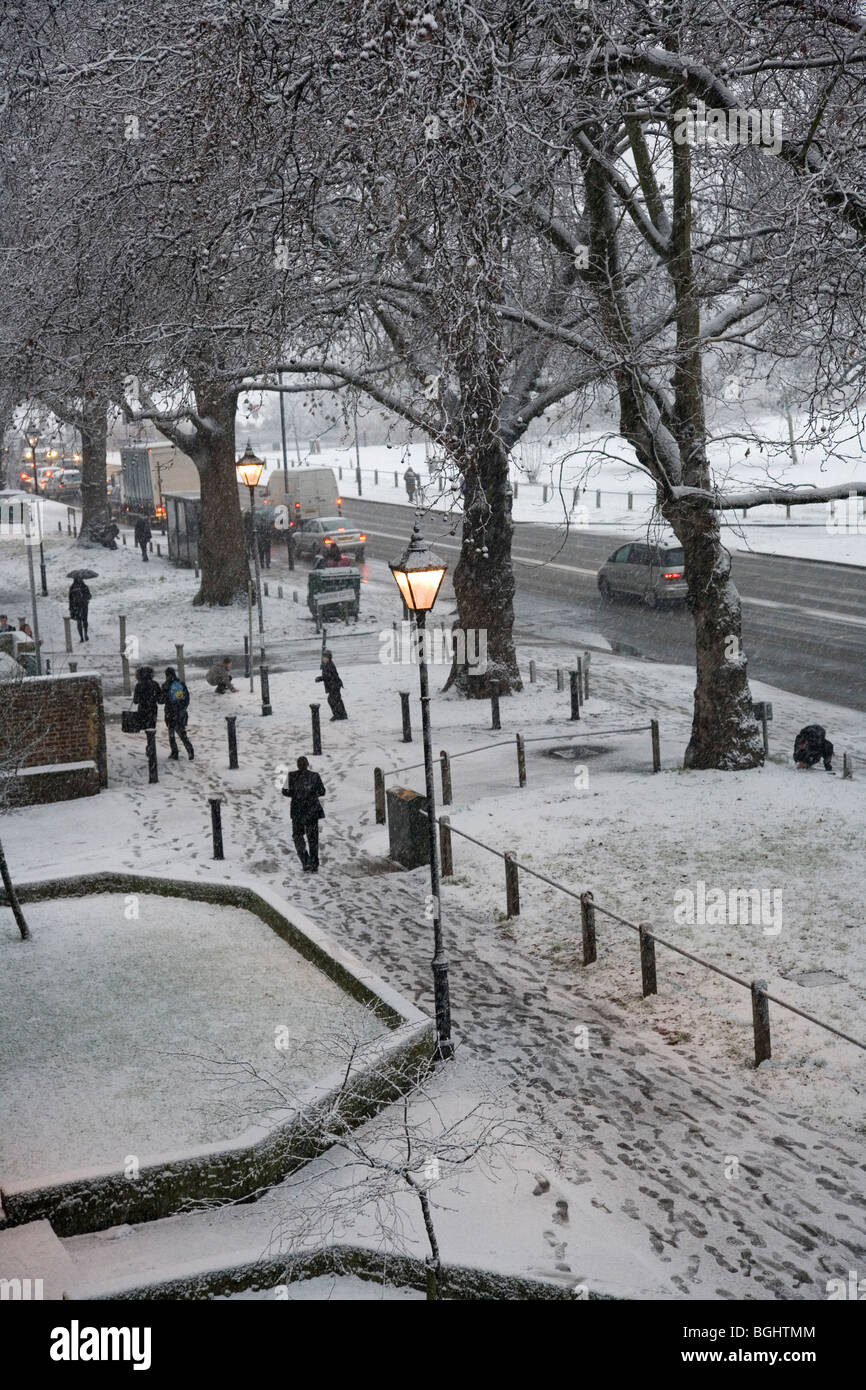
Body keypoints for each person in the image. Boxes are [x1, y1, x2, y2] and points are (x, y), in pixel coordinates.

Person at [282, 755, 326, 872]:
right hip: (312, 811)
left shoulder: (292, 776)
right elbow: (322, 791)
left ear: (297, 765)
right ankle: (314, 863)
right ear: (307, 765)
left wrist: (296, 794)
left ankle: (305, 861)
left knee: (297, 836)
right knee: (313, 839)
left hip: (298, 811)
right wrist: (311, 794)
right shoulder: (314, 776)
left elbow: (285, 792)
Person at [161, 666, 194, 760]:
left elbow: (162, 700)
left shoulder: (166, 685)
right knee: (182, 733)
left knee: (171, 734)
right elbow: (187, 698)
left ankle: (174, 753)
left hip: (170, 713)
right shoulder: (181, 684)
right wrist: (182, 708)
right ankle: (190, 750)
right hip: (180, 713)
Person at [315, 649, 347, 720]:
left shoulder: (330, 665)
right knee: (337, 700)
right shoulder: (325, 665)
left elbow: (328, 676)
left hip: (335, 685)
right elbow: (326, 676)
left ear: (329, 658)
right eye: (324, 657)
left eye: (326, 658)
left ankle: (338, 714)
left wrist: (320, 678)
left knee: (332, 700)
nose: (325, 659)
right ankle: (342, 714)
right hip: (332, 685)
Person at [132, 665, 162, 733]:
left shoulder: (139, 685)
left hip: (142, 709)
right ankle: (151, 742)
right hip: (153, 709)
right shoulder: (155, 684)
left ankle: (149, 743)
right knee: (151, 728)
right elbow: (160, 698)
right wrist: (153, 699)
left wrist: (142, 699)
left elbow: (135, 701)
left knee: (145, 727)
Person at [68, 577, 91, 642]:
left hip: (82, 606)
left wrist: (83, 597)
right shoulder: (73, 588)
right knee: (80, 622)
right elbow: (70, 599)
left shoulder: (83, 587)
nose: (80, 579)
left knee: (83, 621)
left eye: (80, 578)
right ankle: (82, 637)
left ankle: (85, 634)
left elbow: (89, 596)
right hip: (78, 606)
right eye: (79, 578)